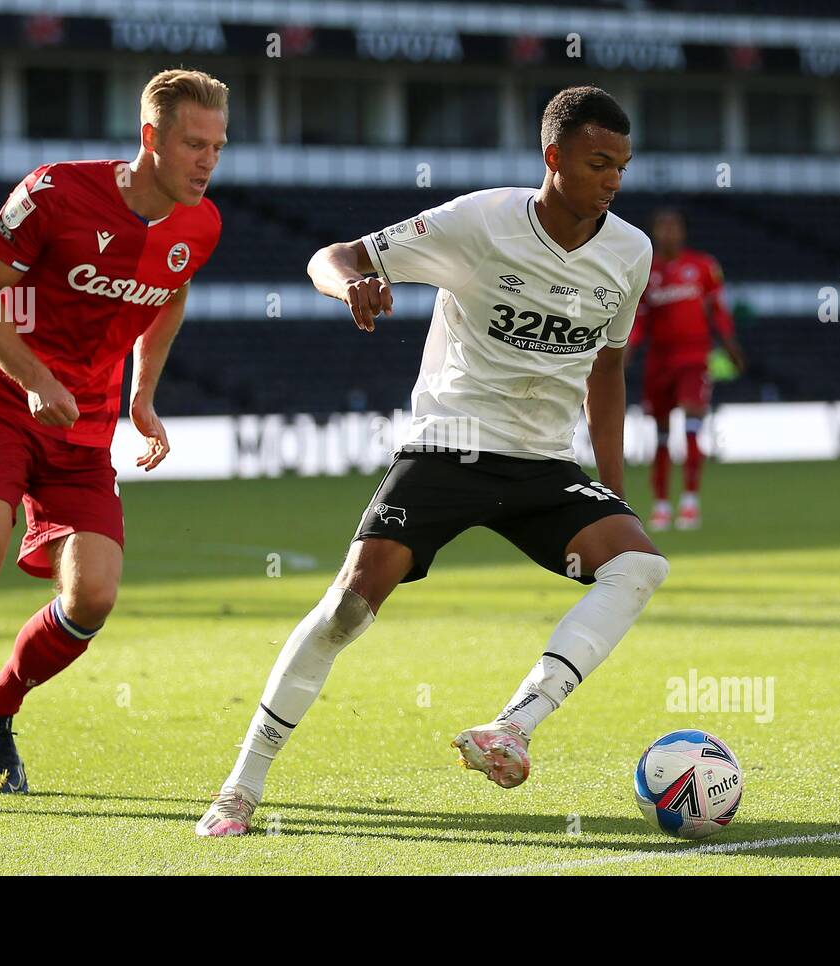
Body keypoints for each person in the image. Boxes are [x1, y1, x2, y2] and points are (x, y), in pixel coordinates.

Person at [197, 86, 669, 837]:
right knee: (350, 603)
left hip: (544, 463)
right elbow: (335, 255)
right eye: (598, 162)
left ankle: (512, 727)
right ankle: (241, 785)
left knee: (640, 565)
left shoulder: (630, 252)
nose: (613, 179)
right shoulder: (479, 222)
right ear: (554, 159)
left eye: (622, 165)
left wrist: (610, 483)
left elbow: (609, 367)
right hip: (450, 445)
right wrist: (350, 282)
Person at [0, 68, 228, 801]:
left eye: (217, 145)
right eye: (193, 144)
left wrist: (141, 396)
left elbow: (169, 298)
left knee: (94, 596)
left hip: (82, 429)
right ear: (151, 138)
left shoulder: (200, 225)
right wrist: (32, 379)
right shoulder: (54, 193)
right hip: (0, 400)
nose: (208, 161)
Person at [624, 208, 745, 531]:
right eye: (662, 227)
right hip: (659, 361)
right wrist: (628, 351)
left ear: (683, 232)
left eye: (674, 227)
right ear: (653, 233)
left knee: (692, 421)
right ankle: (662, 505)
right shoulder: (646, 272)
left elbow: (718, 310)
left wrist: (731, 345)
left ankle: (690, 502)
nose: (668, 233)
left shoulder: (703, 266)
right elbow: (639, 319)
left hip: (694, 358)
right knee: (661, 436)